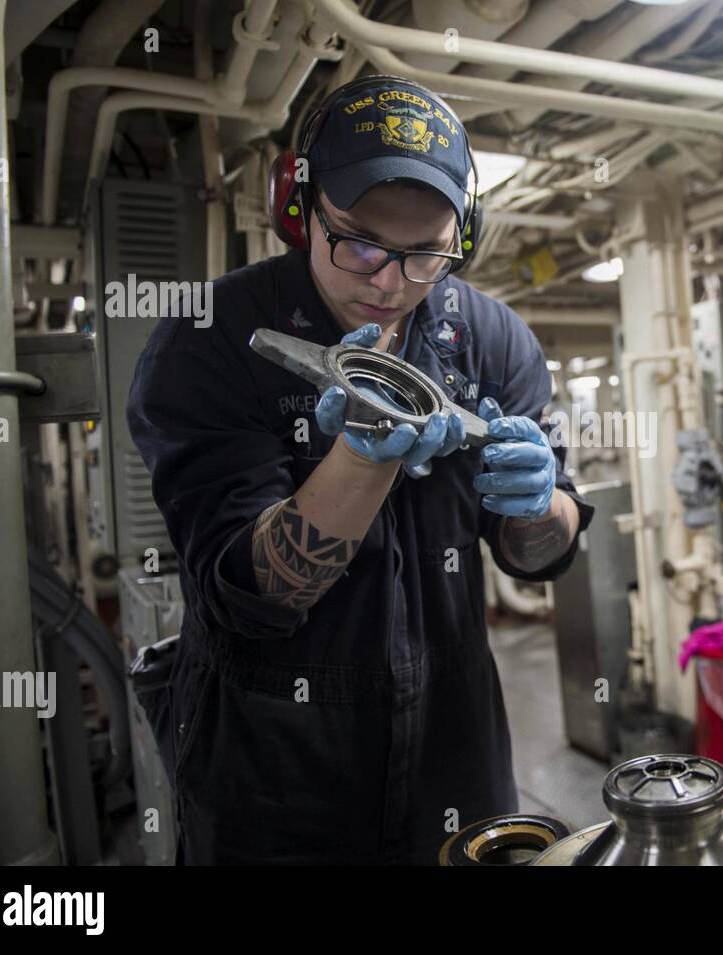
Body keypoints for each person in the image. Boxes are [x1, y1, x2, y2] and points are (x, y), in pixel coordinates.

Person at [126, 75, 594, 864]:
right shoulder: (211, 342)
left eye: (425, 254)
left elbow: (539, 552)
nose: (388, 281)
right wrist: (358, 460)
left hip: (455, 743)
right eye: (361, 243)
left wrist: (541, 507)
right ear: (299, 208)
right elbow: (249, 595)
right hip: (275, 761)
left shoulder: (490, 339)